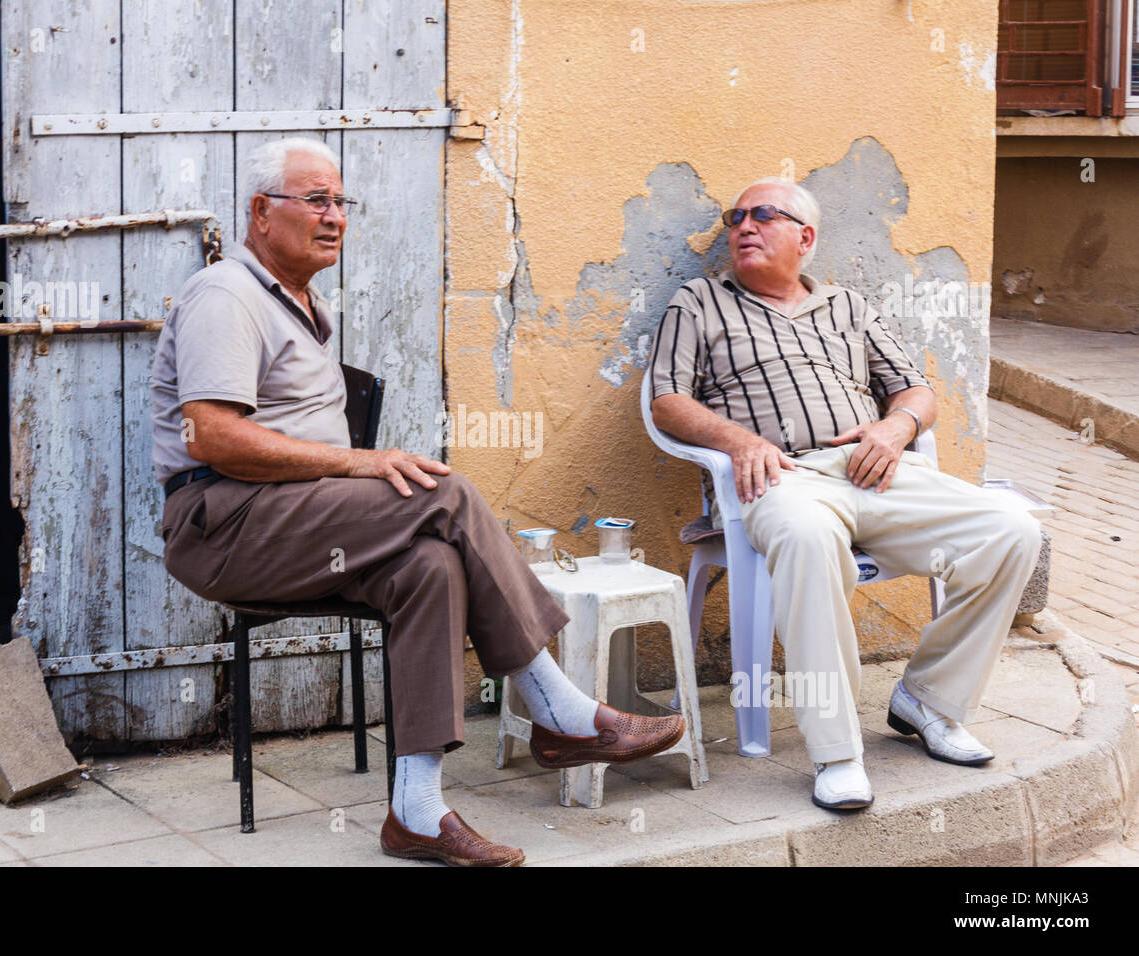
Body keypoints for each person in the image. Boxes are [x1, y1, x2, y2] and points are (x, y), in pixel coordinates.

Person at [151, 137, 684, 864]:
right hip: (223, 523)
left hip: (294, 521)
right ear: (260, 213)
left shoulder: (304, 304)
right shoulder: (228, 294)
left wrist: (350, 475)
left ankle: (416, 814)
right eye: (316, 200)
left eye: (341, 202)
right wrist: (359, 462)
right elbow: (212, 437)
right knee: (449, 494)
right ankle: (562, 709)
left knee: (431, 567)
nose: (335, 216)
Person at [647, 176, 1041, 810]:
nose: (743, 226)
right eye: (735, 216)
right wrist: (738, 442)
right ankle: (836, 752)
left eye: (763, 216)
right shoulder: (699, 301)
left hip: (876, 472)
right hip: (782, 479)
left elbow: (916, 390)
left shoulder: (849, 308)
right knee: (807, 537)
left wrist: (895, 427)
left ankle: (930, 702)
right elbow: (668, 401)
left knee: (1013, 531)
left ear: (804, 238)